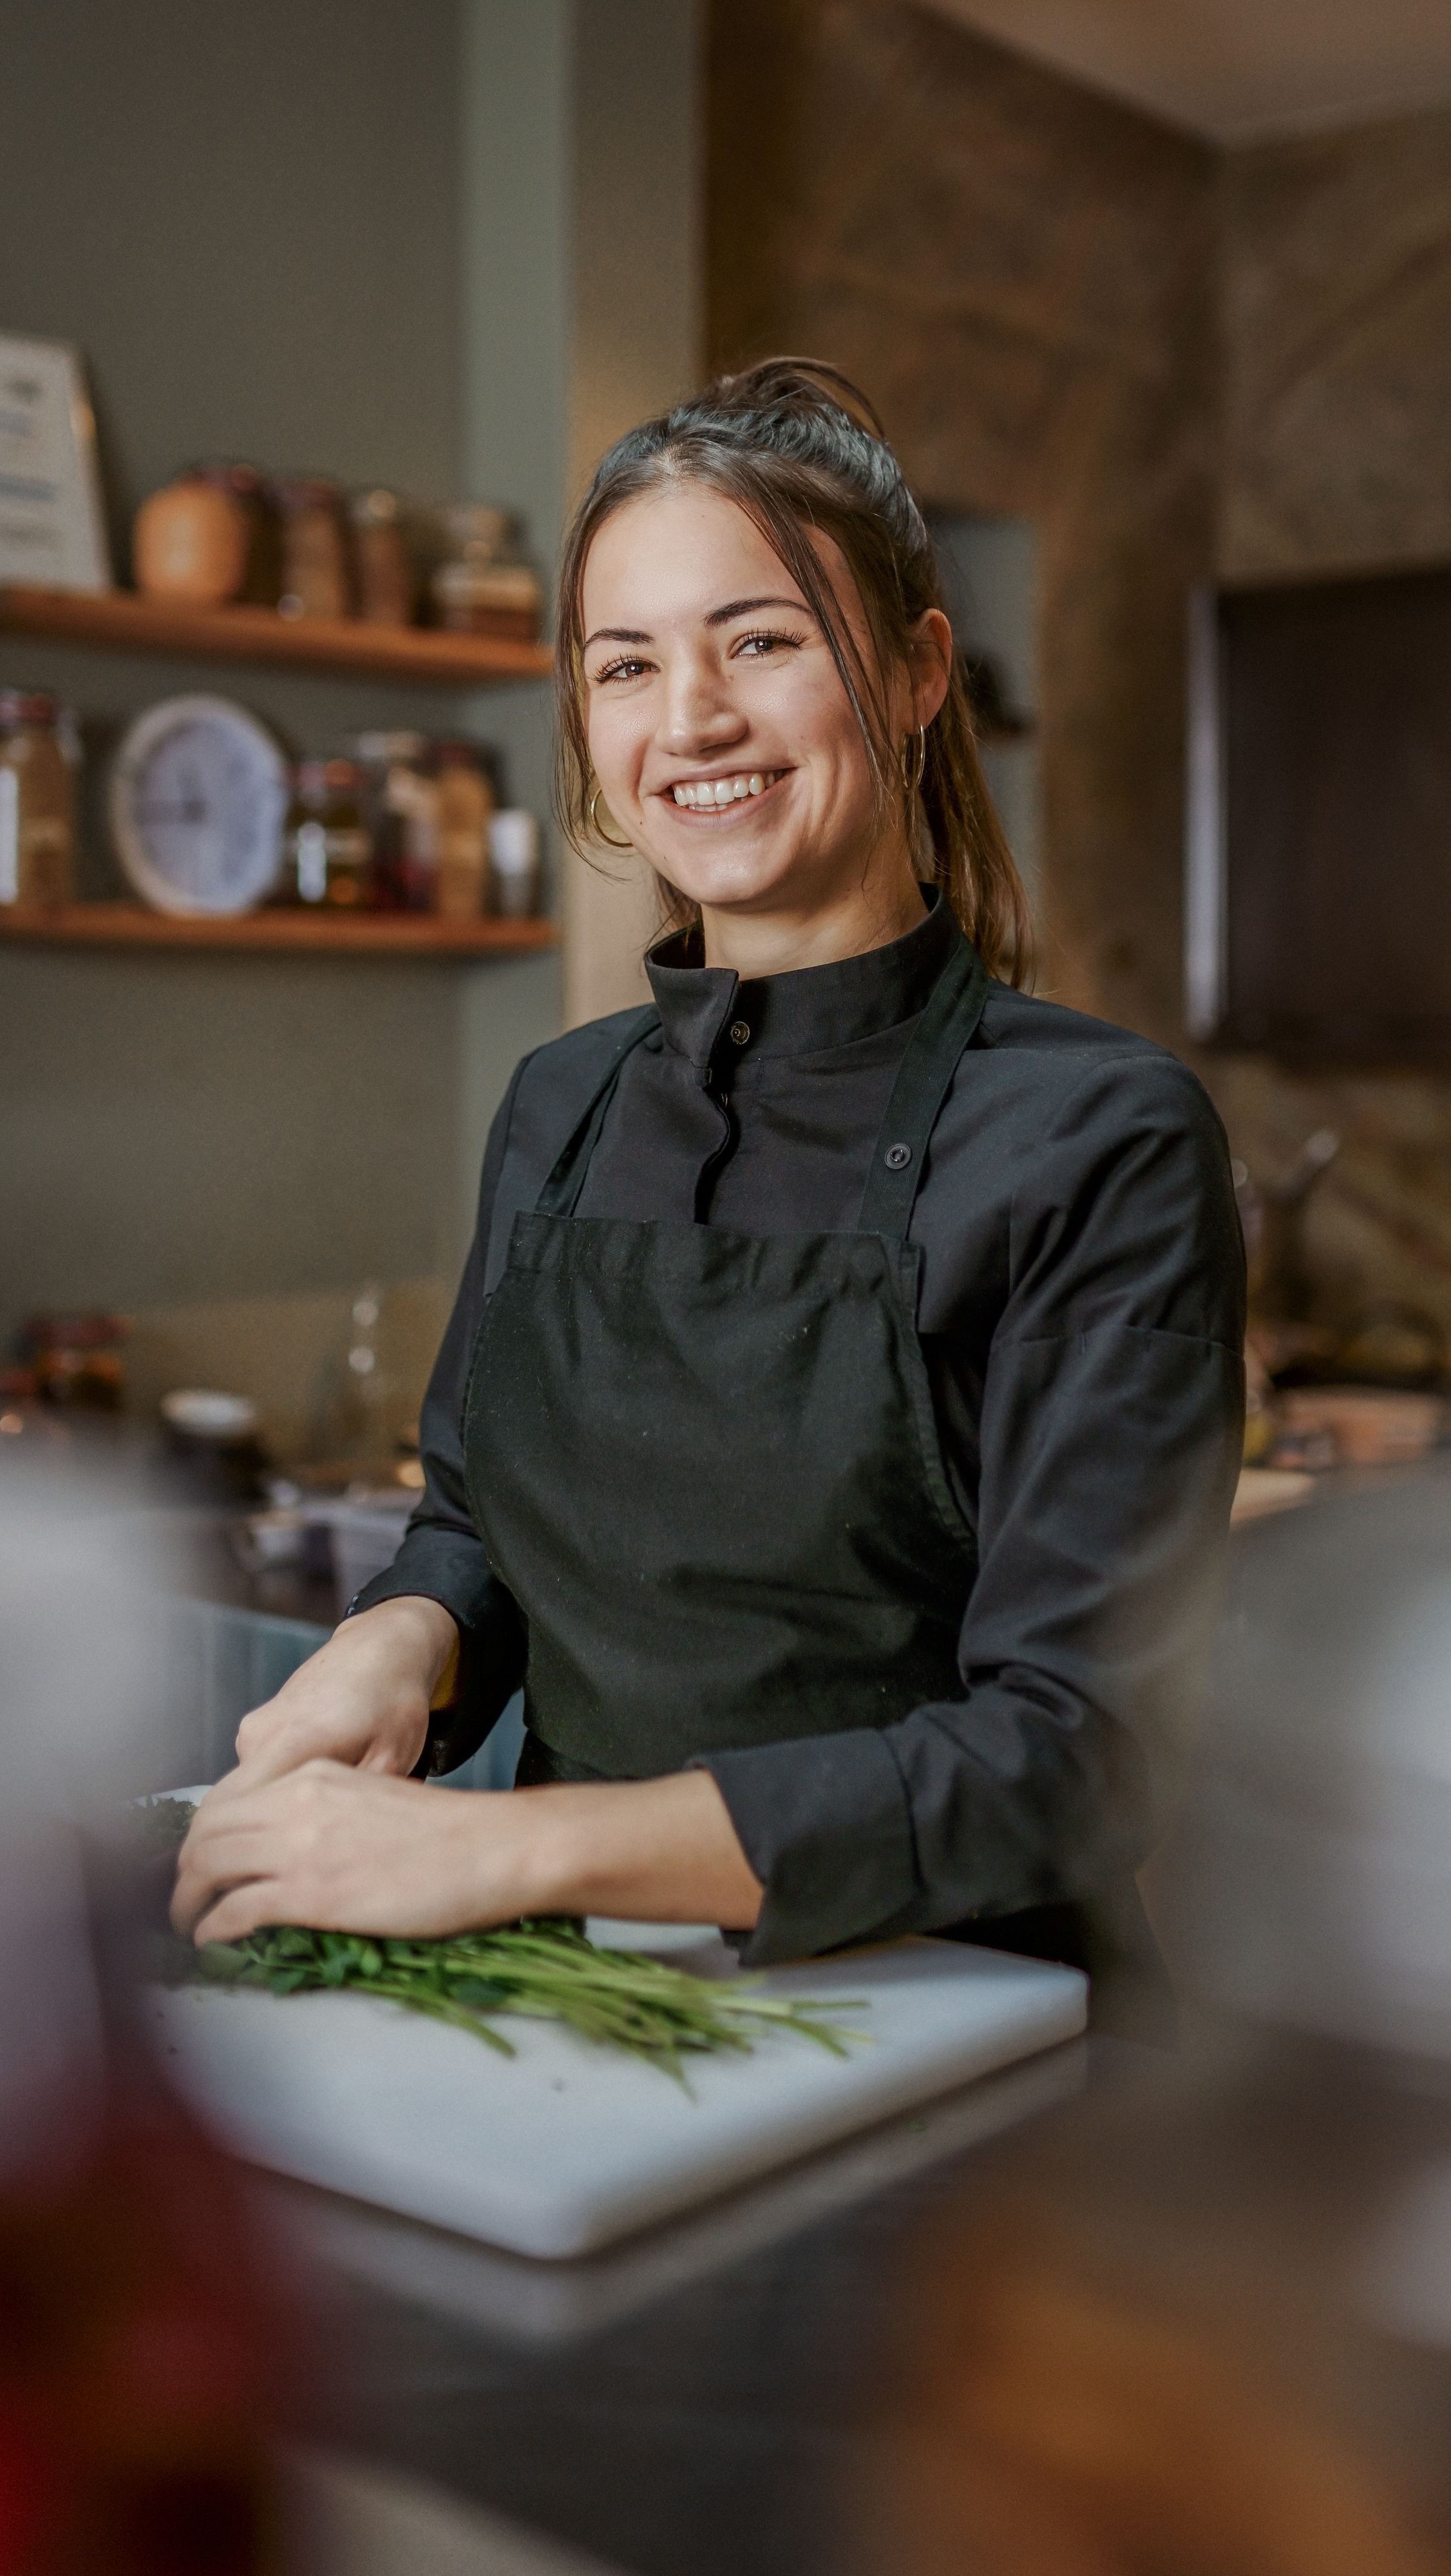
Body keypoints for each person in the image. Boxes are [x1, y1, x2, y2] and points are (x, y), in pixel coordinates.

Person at [173, 361, 1245, 2019]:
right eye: (626, 664)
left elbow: (1076, 1752)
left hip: (961, 2023)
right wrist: (400, 1641)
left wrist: (509, 1852)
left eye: (760, 639)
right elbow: (474, 1521)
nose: (692, 720)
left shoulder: (1097, 1135)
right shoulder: (561, 1102)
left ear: (913, 673)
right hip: (573, 1996)